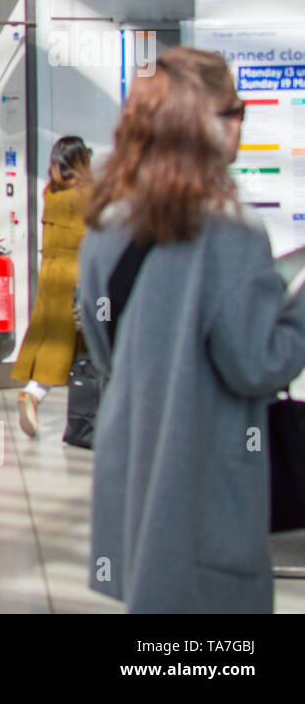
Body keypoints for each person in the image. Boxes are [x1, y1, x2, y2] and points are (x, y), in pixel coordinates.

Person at [79, 47, 305, 613]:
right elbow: (258, 363)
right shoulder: (229, 228)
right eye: (234, 109)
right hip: (205, 481)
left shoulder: (108, 222)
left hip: (134, 474)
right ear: (199, 122)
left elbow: (106, 348)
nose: (241, 123)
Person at [12, 136, 93, 437]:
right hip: (78, 274)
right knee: (90, 341)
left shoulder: (51, 191)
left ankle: (34, 393)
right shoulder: (85, 194)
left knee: (53, 340)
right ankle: (36, 395)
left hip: (50, 274)